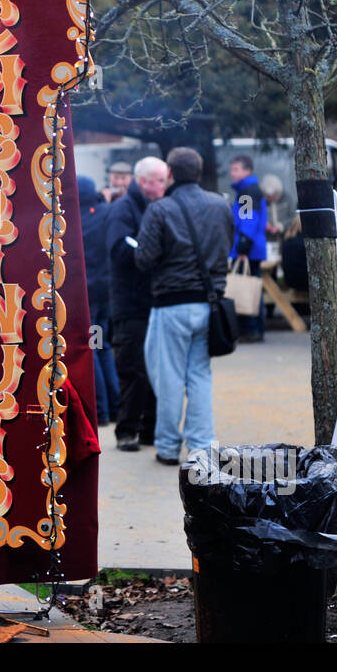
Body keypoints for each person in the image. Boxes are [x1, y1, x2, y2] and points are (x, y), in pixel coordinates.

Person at [134, 147, 234, 465]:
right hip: (208, 303)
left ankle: (166, 446)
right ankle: (203, 446)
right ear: (201, 171)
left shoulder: (160, 209)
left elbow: (144, 259)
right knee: (200, 375)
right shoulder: (221, 205)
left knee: (169, 377)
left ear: (172, 174)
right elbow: (227, 246)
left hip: (171, 304)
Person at [105, 156, 168, 451]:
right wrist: (149, 254)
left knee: (154, 368)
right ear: (144, 181)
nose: (165, 186)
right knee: (133, 369)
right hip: (129, 304)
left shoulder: (155, 206)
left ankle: (150, 430)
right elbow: (119, 248)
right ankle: (127, 431)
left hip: (152, 301)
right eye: (160, 180)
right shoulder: (122, 210)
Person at [79, 175, 119, 425]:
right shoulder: (107, 213)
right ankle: (115, 407)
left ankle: (101, 411)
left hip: (89, 294)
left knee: (93, 348)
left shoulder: (75, 218)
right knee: (104, 348)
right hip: (107, 291)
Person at [228, 154, 268, 342]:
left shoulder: (247, 192)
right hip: (254, 248)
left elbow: (248, 220)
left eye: (236, 169)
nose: (232, 173)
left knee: (246, 289)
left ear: (247, 170)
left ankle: (250, 329)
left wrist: (243, 248)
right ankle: (255, 328)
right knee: (253, 288)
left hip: (247, 249)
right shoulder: (250, 190)